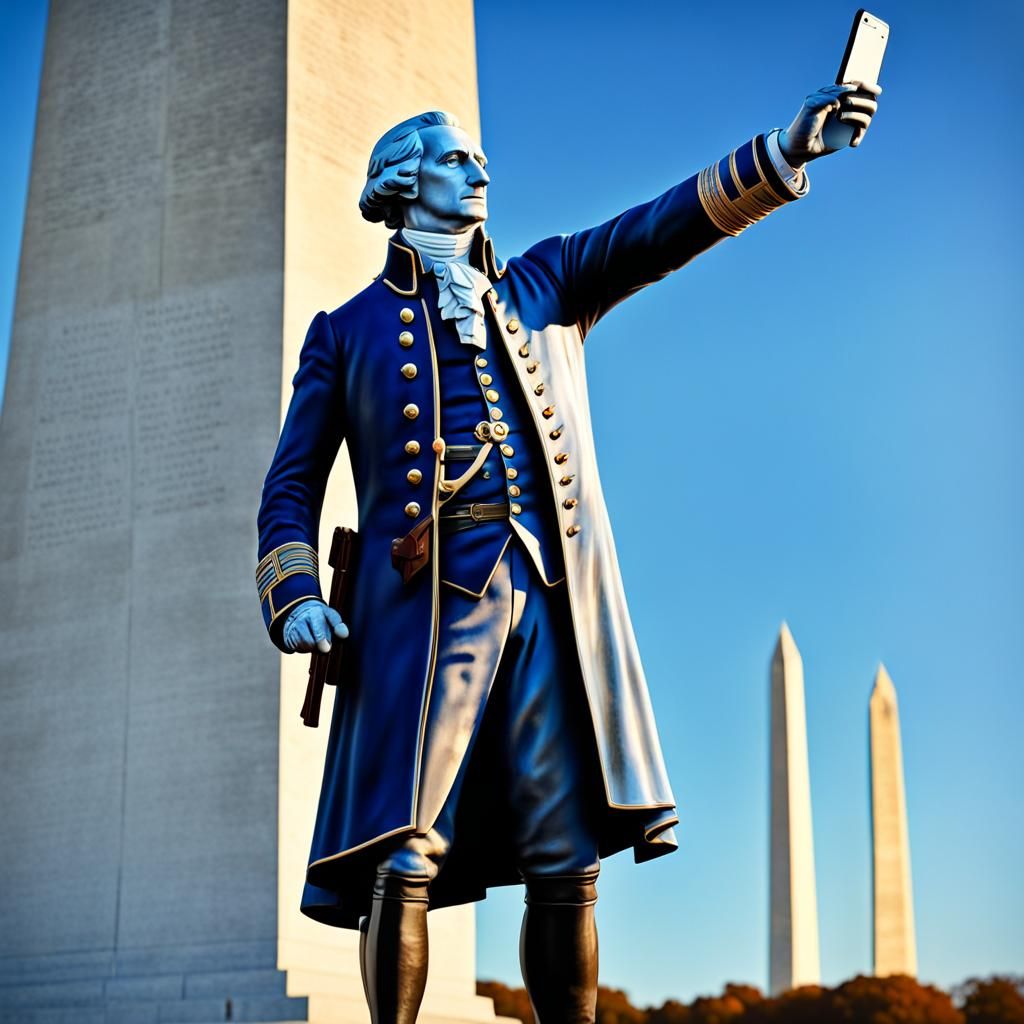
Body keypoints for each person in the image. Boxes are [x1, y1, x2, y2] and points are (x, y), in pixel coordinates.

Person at [256, 81, 880, 1023]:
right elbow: (291, 483)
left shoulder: (545, 283)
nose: (482, 169)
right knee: (403, 846)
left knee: (566, 856)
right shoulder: (344, 334)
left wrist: (785, 152)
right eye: (458, 159)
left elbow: (658, 230)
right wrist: (294, 591)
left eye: (479, 159)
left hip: (553, 599)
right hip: (425, 617)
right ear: (401, 180)